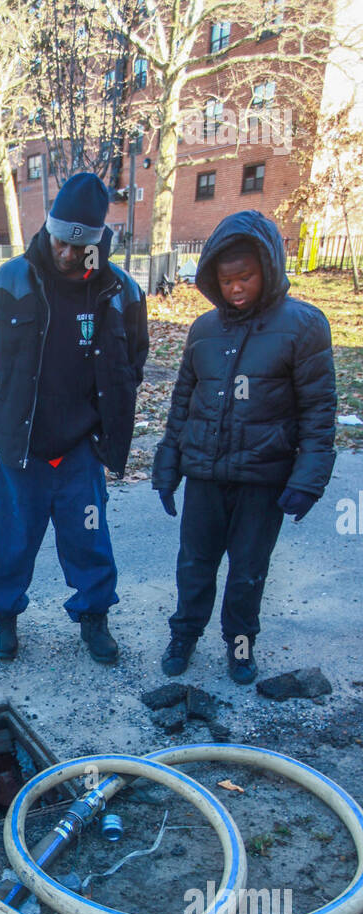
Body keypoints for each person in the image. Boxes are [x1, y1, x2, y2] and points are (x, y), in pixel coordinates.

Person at [0, 170, 148, 665]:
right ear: (48, 229)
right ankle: (3, 615)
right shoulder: (7, 281)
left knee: (89, 539)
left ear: (98, 242)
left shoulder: (121, 292)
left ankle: (94, 617)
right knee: (10, 539)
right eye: (59, 241)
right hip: (20, 448)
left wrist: (107, 427)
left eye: (79, 246)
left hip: (80, 450)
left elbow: (134, 361)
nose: (67, 254)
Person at [153, 210, 336, 684]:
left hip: (262, 479)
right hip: (206, 476)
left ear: (268, 269)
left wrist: (308, 480)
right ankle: (184, 635)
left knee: (248, 571)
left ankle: (240, 645)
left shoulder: (304, 326)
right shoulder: (204, 329)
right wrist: (168, 462)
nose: (236, 288)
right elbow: (183, 402)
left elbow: (319, 411)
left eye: (246, 277)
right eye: (226, 279)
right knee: (194, 565)